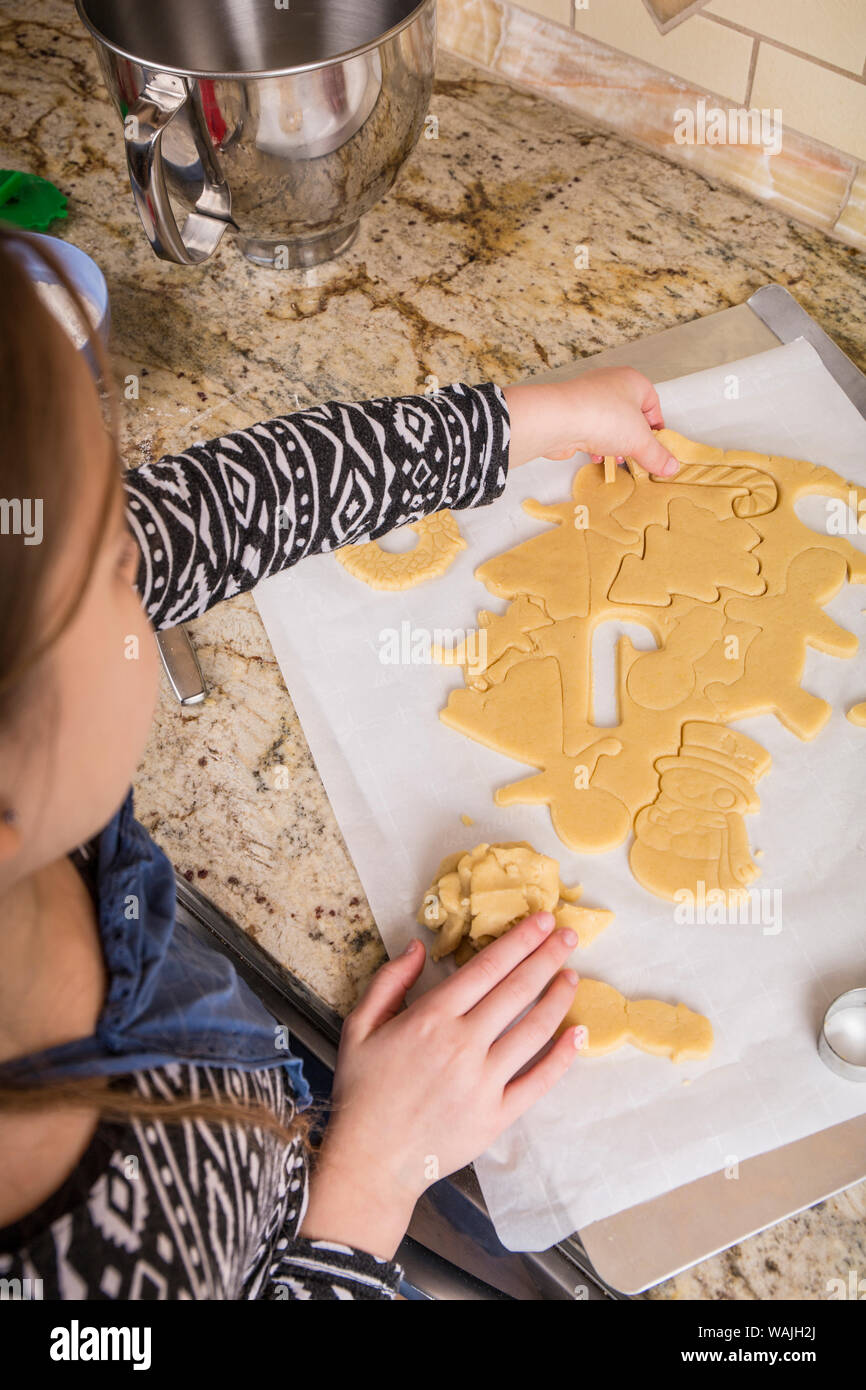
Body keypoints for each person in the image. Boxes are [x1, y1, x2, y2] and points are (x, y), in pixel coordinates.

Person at [0, 225, 678, 1300]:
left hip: (267, 1105)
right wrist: (369, 1181)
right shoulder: (93, 1271)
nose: (153, 551)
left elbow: (231, 507)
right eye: (117, 565)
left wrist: (514, 424)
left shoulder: (27, 702)